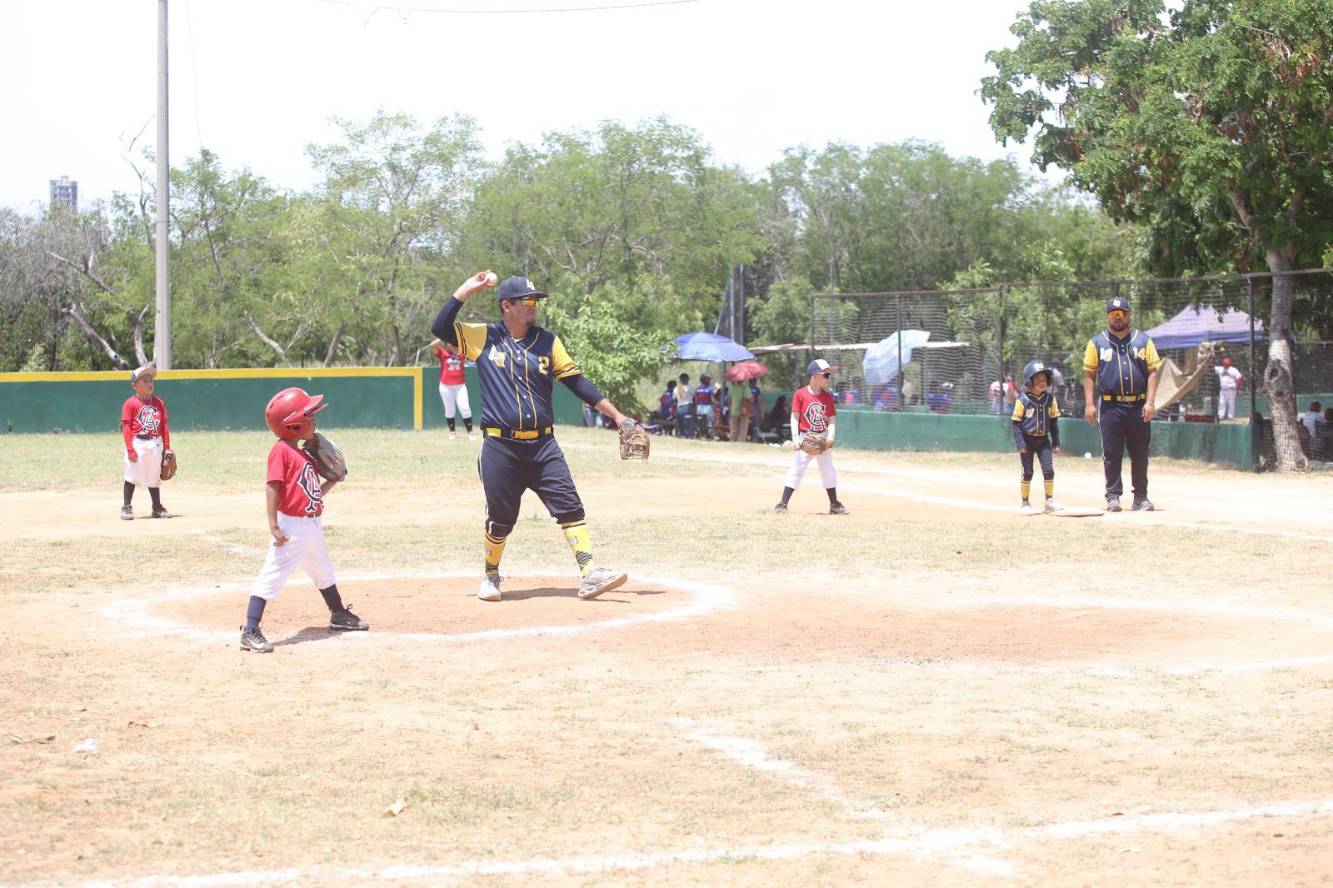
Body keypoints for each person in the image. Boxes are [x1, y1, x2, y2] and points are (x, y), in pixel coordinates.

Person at [431, 272, 634, 603]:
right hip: (501, 446)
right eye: (527, 301)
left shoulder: (547, 342)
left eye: (536, 300)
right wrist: (468, 289)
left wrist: (618, 416)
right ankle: (491, 574)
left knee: (570, 506)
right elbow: (440, 328)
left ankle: (589, 572)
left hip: (543, 445)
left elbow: (576, 382)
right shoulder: (484, 337)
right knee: (501, 519)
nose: (533, 306)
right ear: (506, 305)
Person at [240, 387, 368, 653]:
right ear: (293, 424)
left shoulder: (304, 454)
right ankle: (250, 629)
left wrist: (333, 480)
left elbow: (311, 494)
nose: (314, 420)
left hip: (311, 524)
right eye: (309, 416)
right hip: (291, 528)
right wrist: (273, 525)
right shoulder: (281, 452)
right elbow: (272, 486)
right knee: (272, 576)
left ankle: (338, 613)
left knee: (323, 570)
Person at [1083, 295, 1162, 511]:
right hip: (1110, 406)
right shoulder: (1096, 343)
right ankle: (1113, 496)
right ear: (1108, 316)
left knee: (1140, 453)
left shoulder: (1143, 340)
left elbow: (1153, 371)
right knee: (1112, 452)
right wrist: (1089, 404)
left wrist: (1150, 402)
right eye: (1113, 314)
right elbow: (1089, 374)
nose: (1118, 317)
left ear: (1129, 315)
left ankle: (1141, 497)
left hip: (1138, 405)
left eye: (1122, 313)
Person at [773, 359, 848, 515]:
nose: (828, 378)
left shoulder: (828, 397)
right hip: (805, 437)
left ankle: (834, 504)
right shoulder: (800, 394)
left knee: (828, 469)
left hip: (823, 437)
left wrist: (830, 437)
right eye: (826, 375)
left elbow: (831, 420)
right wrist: (795, 439)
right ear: (814, 377)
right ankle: (783, 503)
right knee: (797, 469)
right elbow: (795, 417)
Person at [120, 363, 173, 520]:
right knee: (132, 475)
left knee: (154, 476)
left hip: (155, 443)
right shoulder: (130, 403)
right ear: (134, 385)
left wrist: (167, 448)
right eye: (145, 381)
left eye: (151, 381)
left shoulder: (159, 403)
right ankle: (126, 507)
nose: (149, 384)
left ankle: (157, 508)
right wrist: (130, 448)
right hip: (138, 443)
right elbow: (126, 427)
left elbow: (164, 426)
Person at [1012, 360, 1062, 514]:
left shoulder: (1050, 399)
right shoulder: (1022, 401)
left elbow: (1054, 423)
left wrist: (1056, 442)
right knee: (1028, 471)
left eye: (1045, 379)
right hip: (1027, 441)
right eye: (1038, 380)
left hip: (1043, 441)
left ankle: (1049, 501)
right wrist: (1020, 443)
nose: (1043, 382)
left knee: (1049, 470)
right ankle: (1025, 502)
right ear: (1029, 382)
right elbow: (1016, 424)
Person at [426, 339, 474, 439]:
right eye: (450, 342)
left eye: (454, 342)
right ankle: (452, 432)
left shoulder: (461, 352)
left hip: (460, 386)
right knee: (449, 409)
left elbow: (470, 346)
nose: (452, 344)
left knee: (465, 408)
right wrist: (444, 336)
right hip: (445, 386)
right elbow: (431, 346)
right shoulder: (442, 352)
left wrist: (458, 338)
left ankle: (470, 432)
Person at [727, 373, 753, 444]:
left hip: (734, 411)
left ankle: (732, 442)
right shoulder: (745, 388)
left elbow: (729, 400)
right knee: (743, 429)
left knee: (733, 429)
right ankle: (741, 442)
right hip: (744, 411)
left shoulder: (731, 388)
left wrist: (730, 410)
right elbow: (750, 399)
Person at [694, 374, 716, 438]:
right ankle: (710, 434)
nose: (710, 381)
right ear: (705, 380)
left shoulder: (697, 389)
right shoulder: (710, 389)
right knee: (710, 421)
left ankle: (701, 434)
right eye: (709, 379)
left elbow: (696, 400)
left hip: (699, 407)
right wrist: (717, 404)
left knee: (701, 421)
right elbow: (712, 400)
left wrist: (696, 409)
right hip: (707, 407)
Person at [675, 372, 695, 438]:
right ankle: (687, 434)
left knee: (681, 422)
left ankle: (682, 434)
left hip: (679, 407)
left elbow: (674, 399)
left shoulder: (676, 388)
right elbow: (695, 397)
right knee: (687, 422)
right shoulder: (690, 387)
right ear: (687, 379)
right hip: (687, 407)